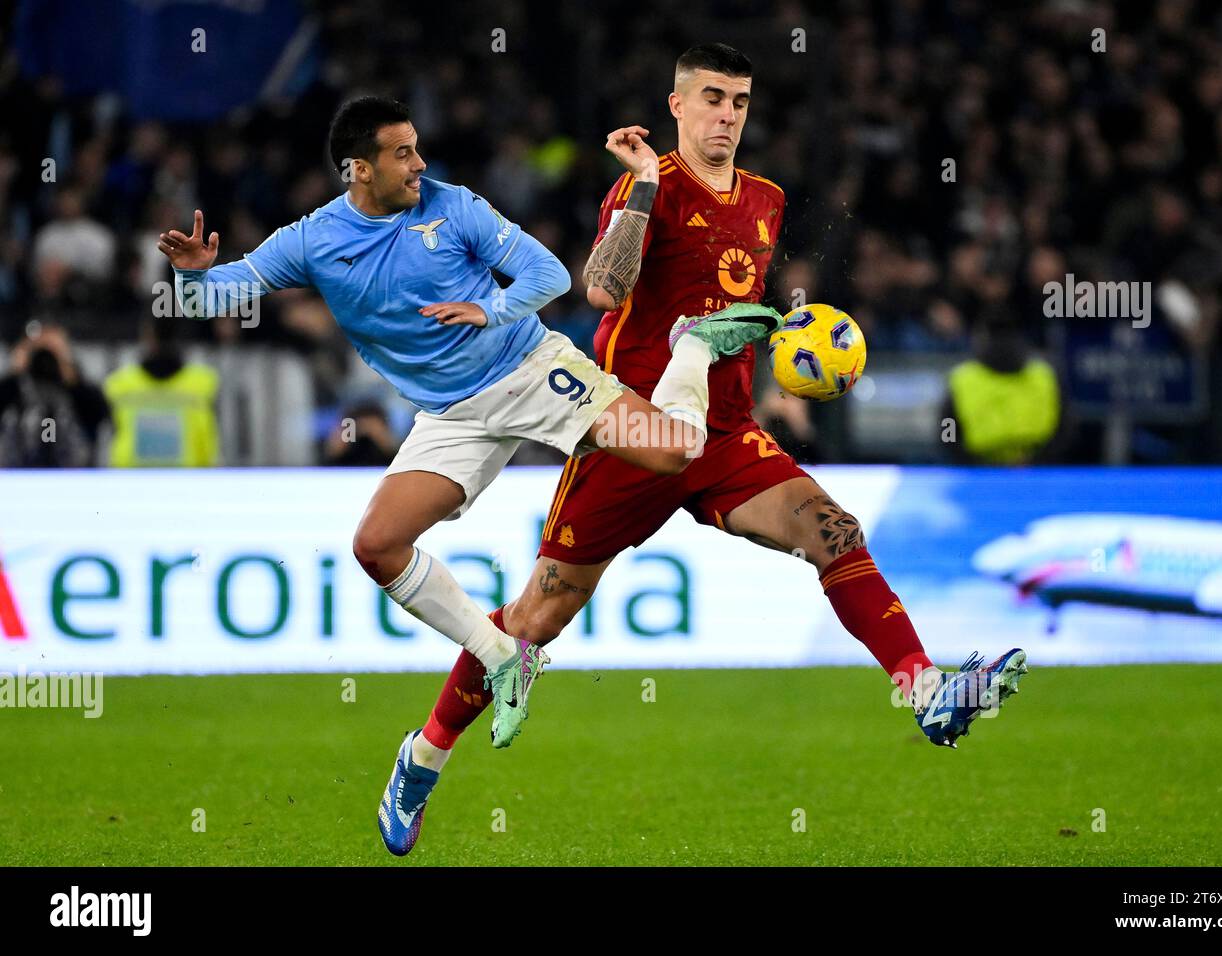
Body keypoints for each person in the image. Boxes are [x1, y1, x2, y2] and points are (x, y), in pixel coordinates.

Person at [396, 44, 1029, 852]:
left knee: (833, 530)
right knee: (531, 621)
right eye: (713, 99)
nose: (727, 114)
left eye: (739, 101)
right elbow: (605, 290)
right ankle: (422, 757)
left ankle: (925, 687)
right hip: (633, 434)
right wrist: (649, 188)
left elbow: (727, 312)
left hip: (724, 434)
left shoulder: (765, 199)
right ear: (678, 106)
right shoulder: (642, 186)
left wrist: (770, 382)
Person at [155, 95, 781, 856]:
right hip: (451, 417)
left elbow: (548, 274)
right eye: (402, 154)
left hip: (531, 367)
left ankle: (694, 345)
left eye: (419, 149)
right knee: (376, 544)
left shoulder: (456, 208)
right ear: (360, 168)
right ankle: (500, 656)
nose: (420, 165)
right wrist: (193, 278)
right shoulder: (315, 240)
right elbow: (228, 289)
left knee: (677, 450)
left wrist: (492, 311)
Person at [940, 309, 1063, 465]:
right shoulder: (1044, 373)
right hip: (1037, 469)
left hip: (979, 470)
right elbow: (1064, 427)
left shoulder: (963, 378)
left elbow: (947, 426)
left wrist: (964, 460)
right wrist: (1039, 461)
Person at [103, 317, 220, 467]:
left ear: (148, 335)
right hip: (188, 482)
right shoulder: (202, 383)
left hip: (132, 482)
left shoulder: (119, 384)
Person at [0, 323, 109, 467]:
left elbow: (100, 415)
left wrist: (71, 375)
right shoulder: (16, 389)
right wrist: (15, 373)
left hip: (73, 477)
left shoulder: (75, 389)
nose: (45, 360)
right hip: (18, 476)